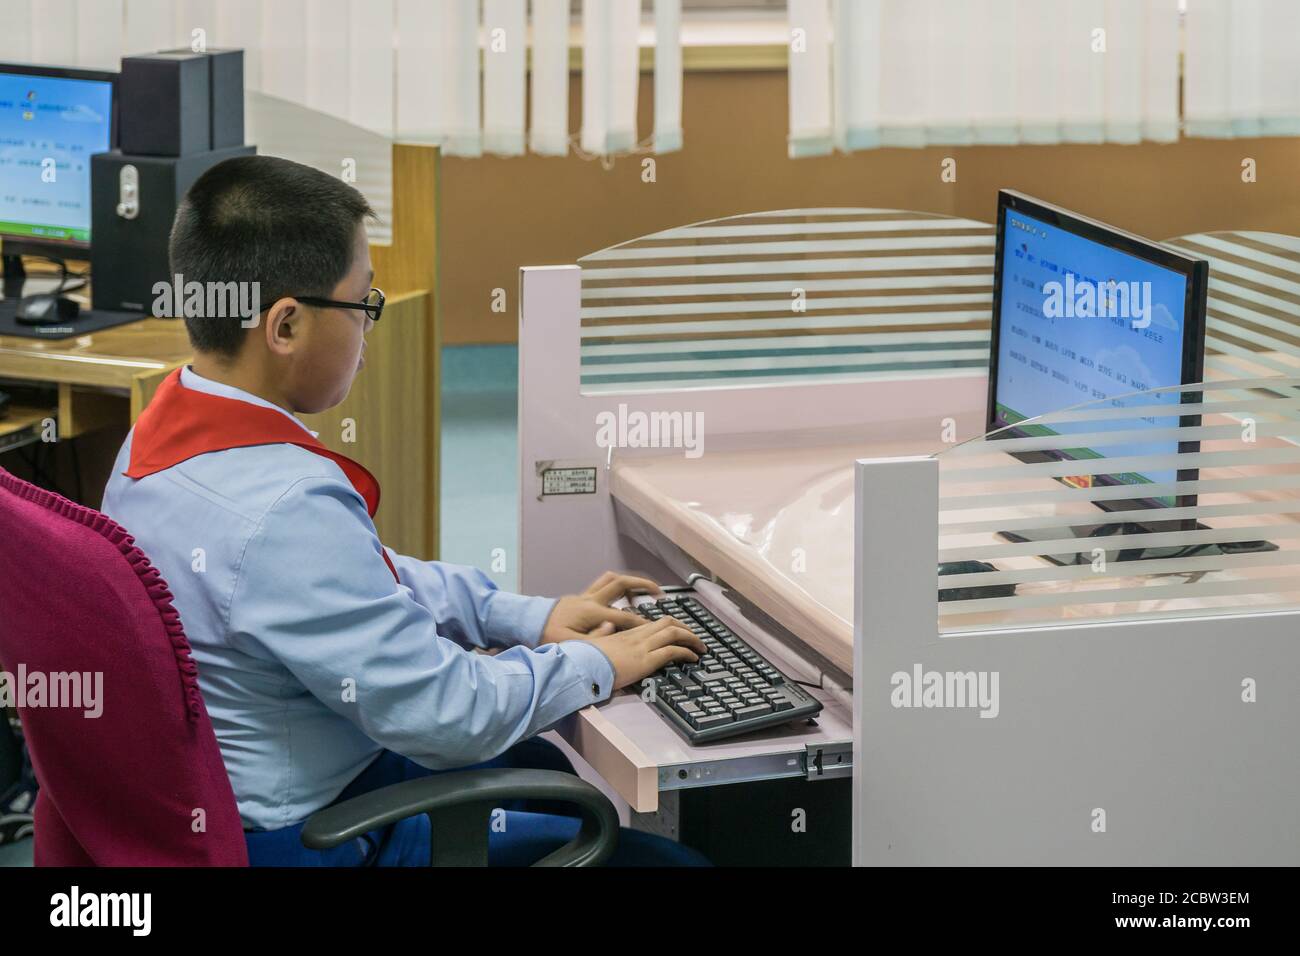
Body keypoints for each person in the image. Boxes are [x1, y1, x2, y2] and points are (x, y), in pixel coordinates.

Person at [102, 155, 707, 866]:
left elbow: (359, 581)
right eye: (363, 305)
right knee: (670, 865)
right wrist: (595, 663)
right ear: (286, 325)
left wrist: (518, 616)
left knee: (544, 767)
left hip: (252, 785)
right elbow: (453, 716)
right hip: (301, 837)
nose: (369, 328)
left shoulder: (159, 433)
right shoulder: (283, 506)